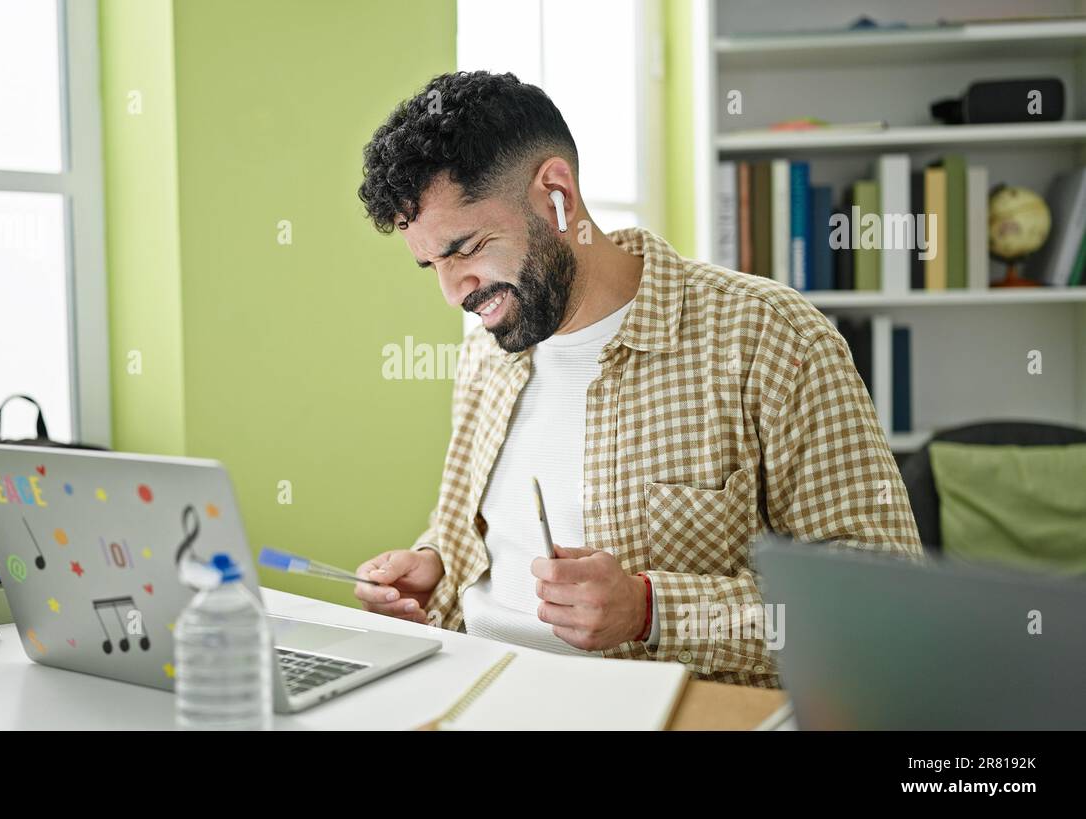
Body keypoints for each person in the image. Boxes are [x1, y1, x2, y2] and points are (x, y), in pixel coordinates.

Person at [352, 71, 922, 686]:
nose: (451, 291)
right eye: (431, 264)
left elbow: (882, 605)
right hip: (475, 694)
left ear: (556, 194)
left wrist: (651, 610)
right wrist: (434, 564)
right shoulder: (488, 353)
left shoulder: (769, 337)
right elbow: (479, 535)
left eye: (465, 248)